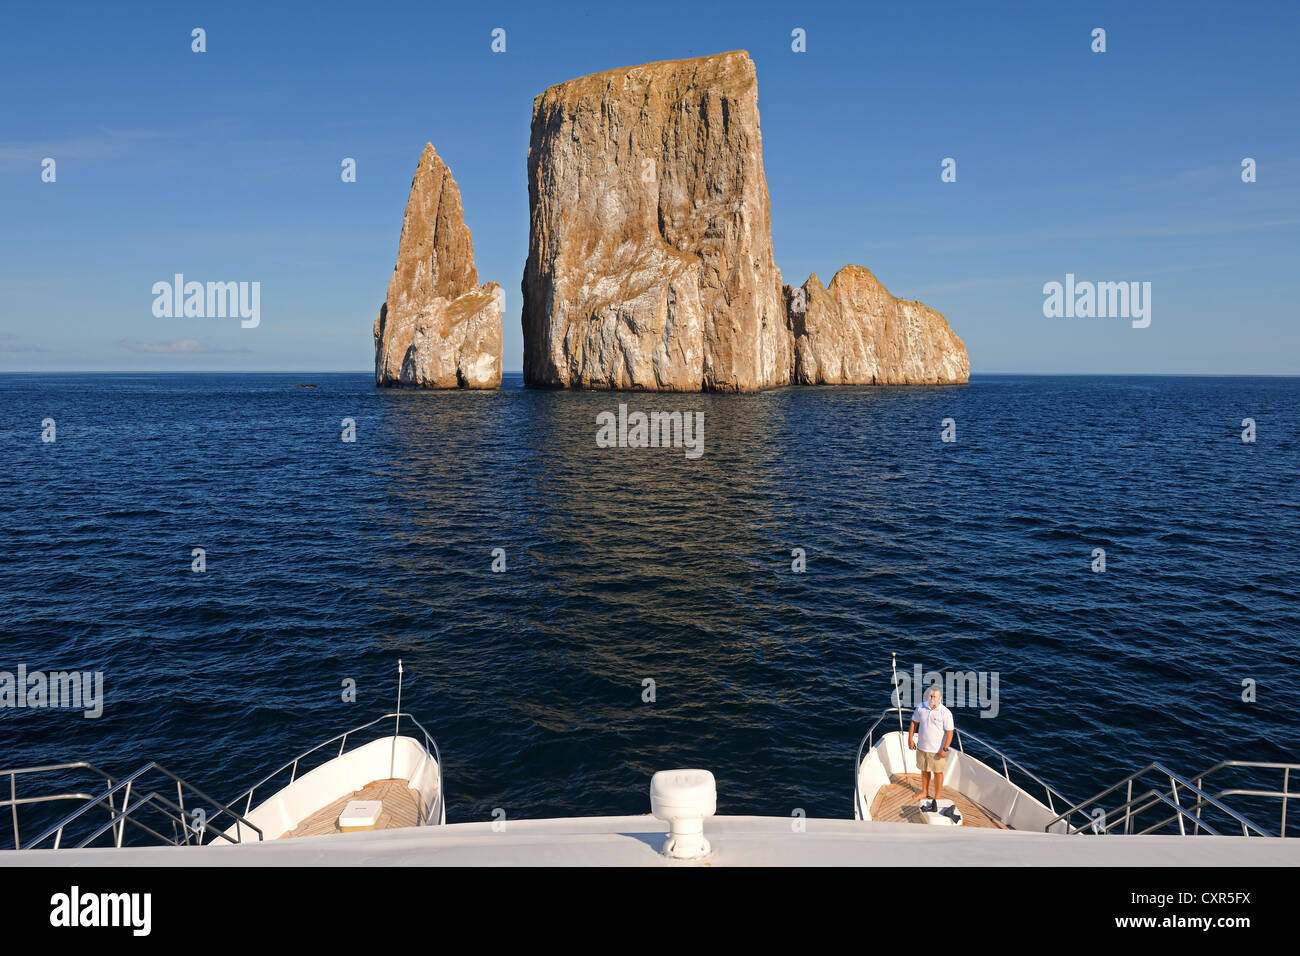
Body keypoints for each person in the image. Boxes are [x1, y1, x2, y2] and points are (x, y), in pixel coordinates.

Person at [908, 686, 955, 812]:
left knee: (938, 773)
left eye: (935, 696)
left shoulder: (945, 713)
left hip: (937, 750)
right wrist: (910, 739)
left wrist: (945, 749)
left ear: (940, 698)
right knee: (924, 770)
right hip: (922, 747)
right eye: (930, 696)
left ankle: (937, 796)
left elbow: (950, 732)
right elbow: (914, 722)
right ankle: (924, 792)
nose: (932, 698)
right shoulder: (921, 707)